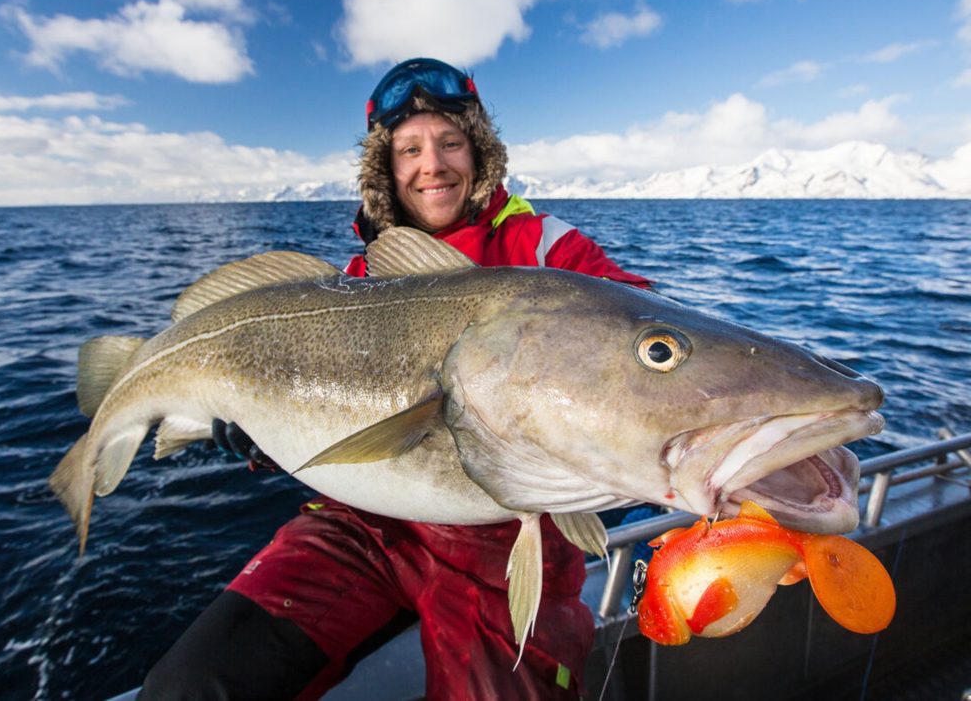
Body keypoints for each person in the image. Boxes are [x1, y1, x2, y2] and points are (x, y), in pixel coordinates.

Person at [140, 58, 651, 701]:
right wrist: (262, 432)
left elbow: (639, 332)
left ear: (479, 153)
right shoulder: (359, 280)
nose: (431, 165)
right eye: (409, 149)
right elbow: (323, 403)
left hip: (513, 546)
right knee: (191, 684)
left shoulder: (548, 250)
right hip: (368, 523)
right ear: (387, 168)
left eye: (450, 143)